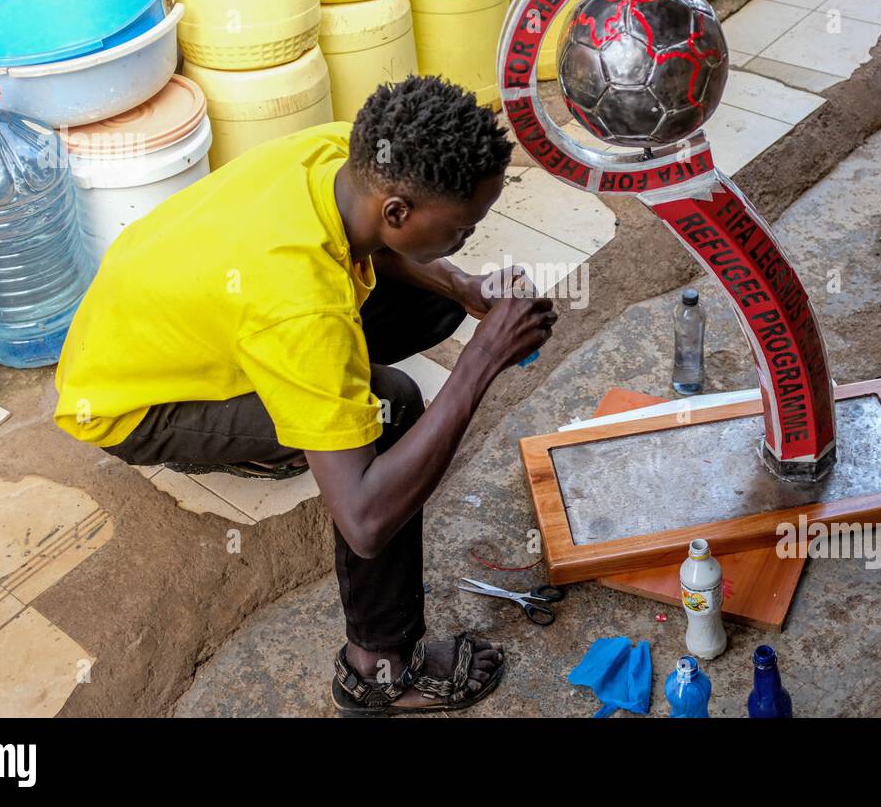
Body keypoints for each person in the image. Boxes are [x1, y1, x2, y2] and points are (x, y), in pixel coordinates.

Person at [53, 75, 555, 715]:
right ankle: (378, 666)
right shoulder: (301, 308)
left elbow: (366, 249)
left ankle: (304, 425)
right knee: (392, 406)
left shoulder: (337, 155)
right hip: (134, 406)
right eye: (460, 230)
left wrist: (462, 285)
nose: (466, 240)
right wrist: (482, 361)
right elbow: (366, 523)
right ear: (398, 210)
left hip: (171, 334)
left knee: (432, 308)